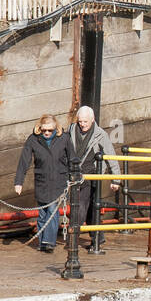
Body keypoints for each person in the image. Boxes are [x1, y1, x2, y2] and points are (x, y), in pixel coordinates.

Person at [64, 105, 120, 253]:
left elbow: (111, 156)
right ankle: (98, 237)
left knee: (81, 205)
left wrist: (116, 180)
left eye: (85, 122)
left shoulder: (100, 134)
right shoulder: (71, 130)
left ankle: (73, 238)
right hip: (75, 174)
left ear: (93, 120)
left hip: (91, 175)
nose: (82, 125)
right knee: (89, 208)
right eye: (80, 121)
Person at [13, 114, 70, 253]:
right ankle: (42, 240)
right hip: (42, 180)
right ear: (40, 128)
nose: (47, 133)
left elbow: (72, 158)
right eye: (44, 130)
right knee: (43, 213)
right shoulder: (33, 139)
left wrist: (75, 177)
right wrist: (19, 182)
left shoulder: (64, 138)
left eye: (50, 130)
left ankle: (48, 242)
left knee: (52, 211)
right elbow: (24, 161)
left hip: (59, 181)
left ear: (55, 128)